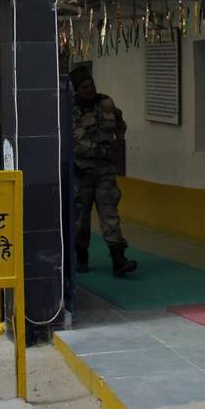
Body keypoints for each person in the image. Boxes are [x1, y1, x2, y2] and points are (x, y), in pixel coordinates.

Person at [70, 66, 138, 278]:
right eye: (84, 87)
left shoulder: (106, 103)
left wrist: (117, 145)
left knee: (110, 215)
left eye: (91, 85)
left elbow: (120, 124)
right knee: (81, 219)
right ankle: (81, 256)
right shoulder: (71, 110)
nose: (89, 89)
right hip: (83, 172)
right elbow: (75, 142)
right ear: (76, 90)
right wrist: (102, 150)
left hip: (106, 171)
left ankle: (119, 259)